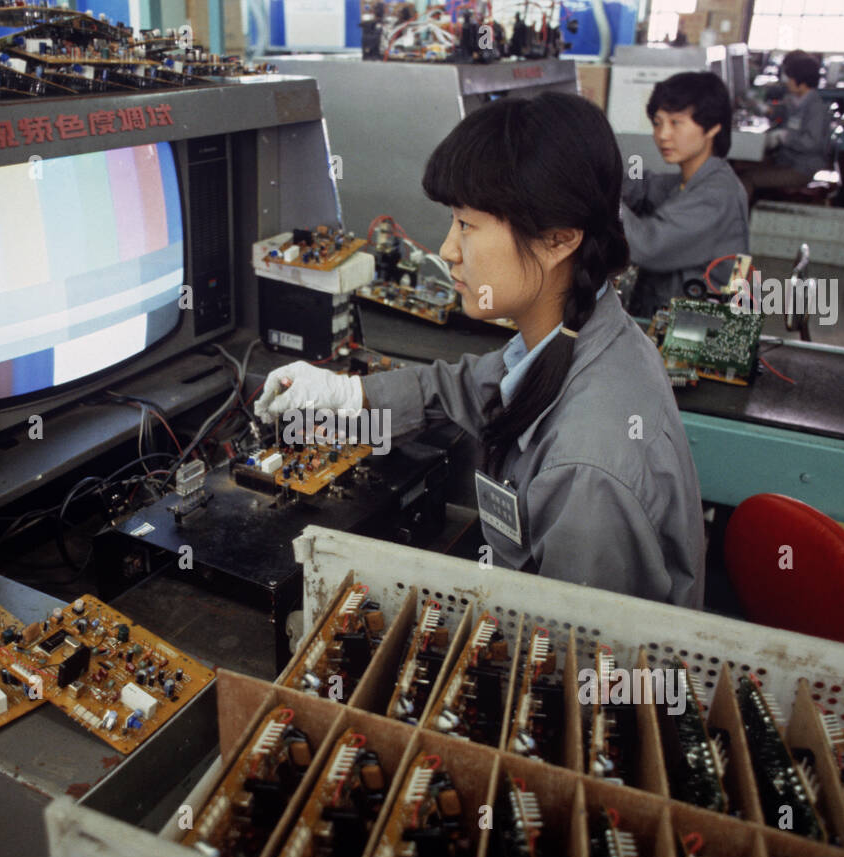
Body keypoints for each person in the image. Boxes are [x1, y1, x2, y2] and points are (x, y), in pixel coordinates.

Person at [254, 93, 706, 608]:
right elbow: (458, 387)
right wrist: (342, 393)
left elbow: (577, 669)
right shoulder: (581, 335)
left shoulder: (586, 471)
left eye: (466, 225)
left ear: (559, 240)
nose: (447, 250)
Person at [620, 71, 750, 319]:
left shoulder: (716, 195)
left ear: (712, 127)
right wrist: (603, 174)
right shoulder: (691, 181)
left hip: (696, 333)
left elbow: (646, 245)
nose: (662, 135)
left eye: (676, 123)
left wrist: (595, 195)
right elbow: (644, 184)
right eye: (657, 123)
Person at [737, 50, 830, 205]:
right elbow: (778, 112)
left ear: (801, 81)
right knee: (738, 167)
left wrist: (784, 136)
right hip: (786, 160)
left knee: (747, 178)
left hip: (802, 169)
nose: (786, 81)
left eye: (790, 78)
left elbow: (811, 143)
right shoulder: (795, 100)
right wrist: (759, 107)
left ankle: (736, 222)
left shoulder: (816, 108)